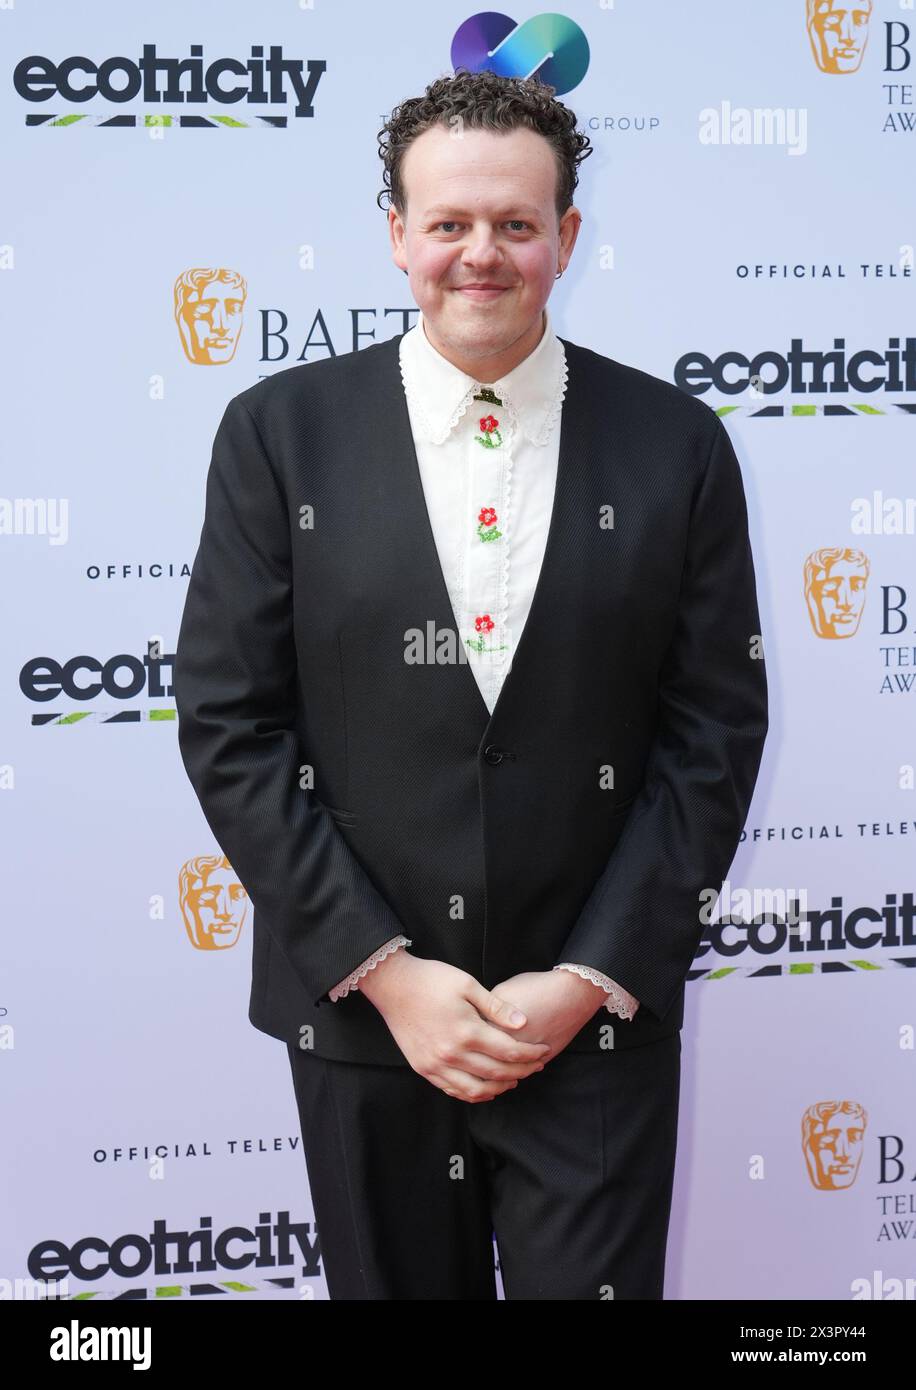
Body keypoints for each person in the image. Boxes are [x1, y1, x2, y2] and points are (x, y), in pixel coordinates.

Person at [174, 69, 768, 1300]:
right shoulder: (279, 432)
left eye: (514, 223)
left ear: (567, 237)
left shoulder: (676, 443)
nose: (479, 255)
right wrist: (384, 971)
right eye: (447, 223)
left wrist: (588, 978)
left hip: (588, 1024)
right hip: (364, 1022)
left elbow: (711, 730)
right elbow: (230, 722)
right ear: (396, 234)